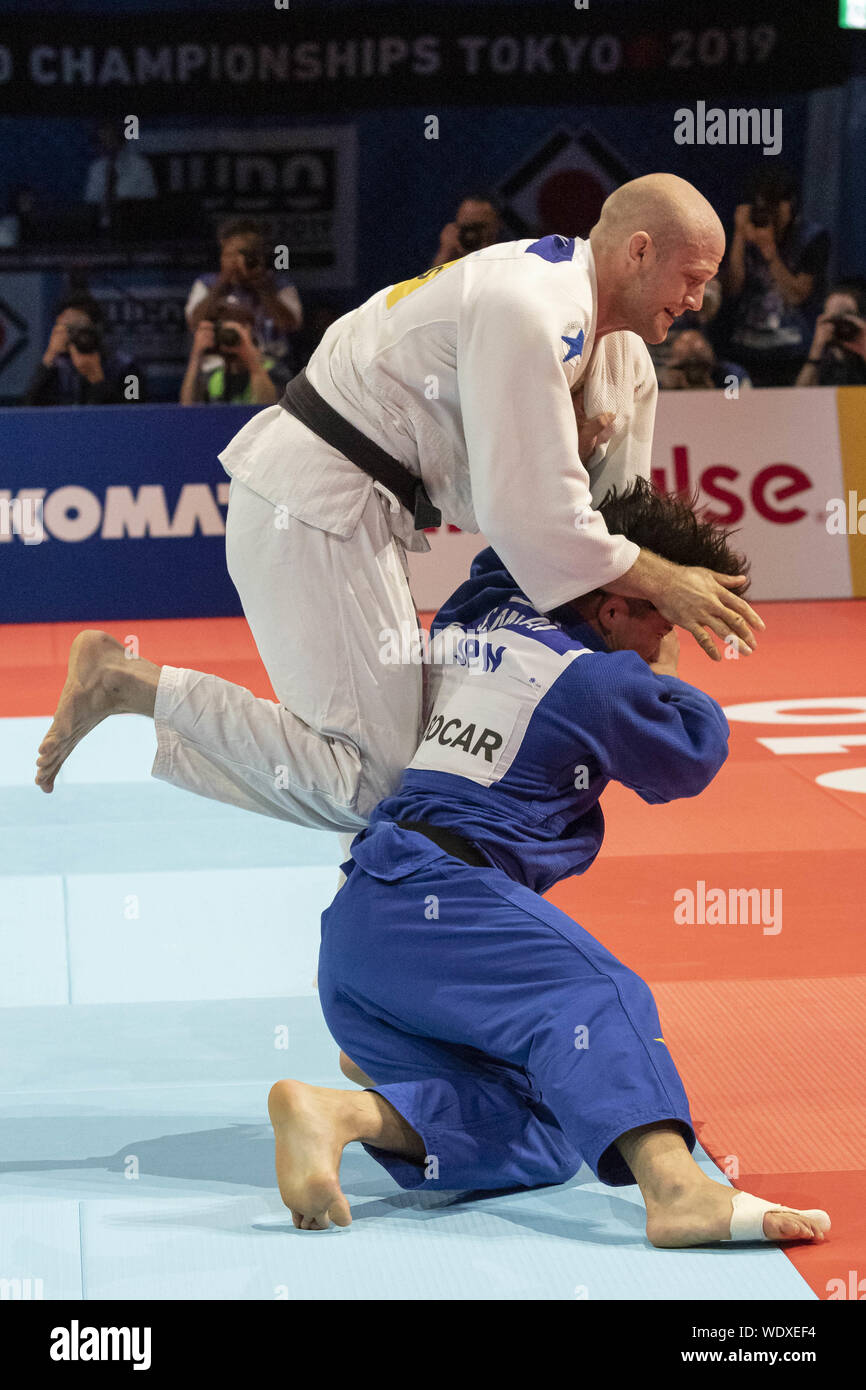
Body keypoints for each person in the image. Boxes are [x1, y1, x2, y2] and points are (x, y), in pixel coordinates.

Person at [36, 175, 763, 841]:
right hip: (313, 499)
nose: (700, 300)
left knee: (405, 755)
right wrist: (665, 581)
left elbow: (615, 520)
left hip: (368, 509)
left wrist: (653, 652)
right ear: (640, 251)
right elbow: (530, 517)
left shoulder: (622, 355)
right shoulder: (530, 305)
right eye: (692, 278)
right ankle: (128, 683)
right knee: (371, 780)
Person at [261, 479, 829, 1244]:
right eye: (669, 618)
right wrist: (653, 660)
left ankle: (343, 1113)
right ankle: (679, 1191)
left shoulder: (479, 611)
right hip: (434, 898)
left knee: (554, 1133)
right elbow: (696, 750)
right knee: (598, 996)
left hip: (363, 940)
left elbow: (518, 549)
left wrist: (613, 544)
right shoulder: (596, 682)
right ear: (615, 605)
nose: (673, 640)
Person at [723, 166, 829, 387]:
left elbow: (796, 296)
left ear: (789, 205)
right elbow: (733, 287)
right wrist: (740, 238)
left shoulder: (812, 238)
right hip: (745, 351)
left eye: (773, 206)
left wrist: (769, 251)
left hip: (793, 353)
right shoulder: (741, 232)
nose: (767, 215)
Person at [185, 219, 303, 371]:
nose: (240, 261)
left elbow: (291, 325)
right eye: (231, 254)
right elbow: (194, 323)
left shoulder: (278, 284)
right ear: (222, 255)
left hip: (270, 366)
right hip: (218, 367)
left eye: (247, 254)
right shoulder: (207, 284)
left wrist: (262, 286)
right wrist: (222, 283)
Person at [23, 292, 141, 407]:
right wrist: (49, 358)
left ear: (97, 327)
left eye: (84, 329)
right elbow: (28, 411)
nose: (80, 336)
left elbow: (135, 414)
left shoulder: (127, 369)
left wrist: (98, 380)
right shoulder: (56, 370)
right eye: (71, 328)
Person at [179, 302, 292, 406]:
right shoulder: (215, 376)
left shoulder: (275, 371)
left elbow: (266, 407)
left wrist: (249, 354)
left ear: (251, 333)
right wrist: (196, 356)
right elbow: (188, 411)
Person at [84, 121, 157, 232]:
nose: (106, 145)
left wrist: (123, 205)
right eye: (102, 141)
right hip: (102, 230)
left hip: (134, 228)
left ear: (120, 139)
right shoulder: (96, 168)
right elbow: (91, 201)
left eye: (111, 139)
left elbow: (149, 199)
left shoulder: (140, 165)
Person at [795, 280, 866, 387]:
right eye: (834, 317)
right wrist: (816, 348)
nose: (841, 323)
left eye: (848, 314)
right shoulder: (823, 356)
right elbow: (799, 396)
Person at [658, 328, 750, 391]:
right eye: (686, 367)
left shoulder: (731, 375)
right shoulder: (667, 381)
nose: (694, 373)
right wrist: (667, 390)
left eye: (700, 365)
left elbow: (746, 406)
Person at [430, 192, 504, 267]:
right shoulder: (452, 263)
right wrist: (445, 252)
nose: (470, 235)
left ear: (497, 224)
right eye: (465, 228)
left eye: (478, 227)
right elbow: (433, 278)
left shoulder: (509, 256)